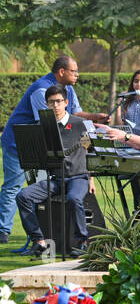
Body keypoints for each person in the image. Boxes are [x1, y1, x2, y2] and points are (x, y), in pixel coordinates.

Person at [0, 56, 106, 243]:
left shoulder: (69, 89)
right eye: (74, 71)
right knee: (13, 188)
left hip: (46, 148)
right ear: (62, 72)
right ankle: (4, 232)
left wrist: (95, 117)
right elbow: (49, 122)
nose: (77, 74)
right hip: (19, 144)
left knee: (44, 193)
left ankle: (59, 238)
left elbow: (72, 115)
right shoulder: (41, 90)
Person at [16, 86, 93, 257]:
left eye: (58, 101)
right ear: (47, 104)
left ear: (66, 103)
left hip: (78, 177)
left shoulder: (79, 124)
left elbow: (88, 151)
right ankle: (39, 241)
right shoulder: (44, 126)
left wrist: (91, 179)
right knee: (23, 196)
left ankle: (82, 242)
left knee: (74, 198)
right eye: (51, 102)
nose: (55, 105)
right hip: (56, 179)